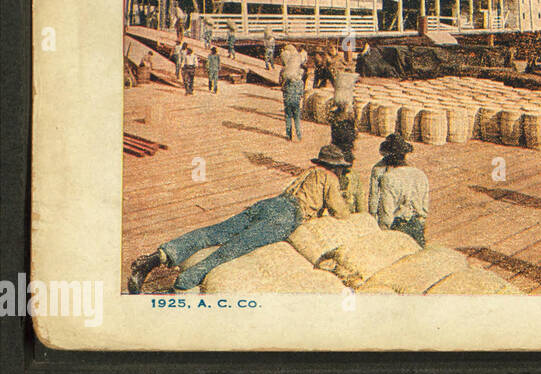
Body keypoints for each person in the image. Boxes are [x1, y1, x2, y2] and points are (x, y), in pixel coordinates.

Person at [126, 144, 353, 293]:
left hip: (269, 204)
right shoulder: (330, 178)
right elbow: (340, 211)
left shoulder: (308, 171)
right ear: (335, 168)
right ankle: (182, 286)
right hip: (286, 216)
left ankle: (155, 258)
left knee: (213, 232)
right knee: (234, 248)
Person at [369, 133, 430, 246]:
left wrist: (382, 232)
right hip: (417, 227)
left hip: (397, 229)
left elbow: (385, 213)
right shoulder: (420, 175)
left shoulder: (388, 178)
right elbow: (424, 208)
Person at [282, 63, 304, 141]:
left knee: (288, 118)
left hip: (288, 101)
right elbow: (302, 93)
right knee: (297, 119)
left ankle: (288, 135)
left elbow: (283, 89)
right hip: (296, 102)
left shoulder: (287, 82)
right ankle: (299, 135)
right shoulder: (301, 83)